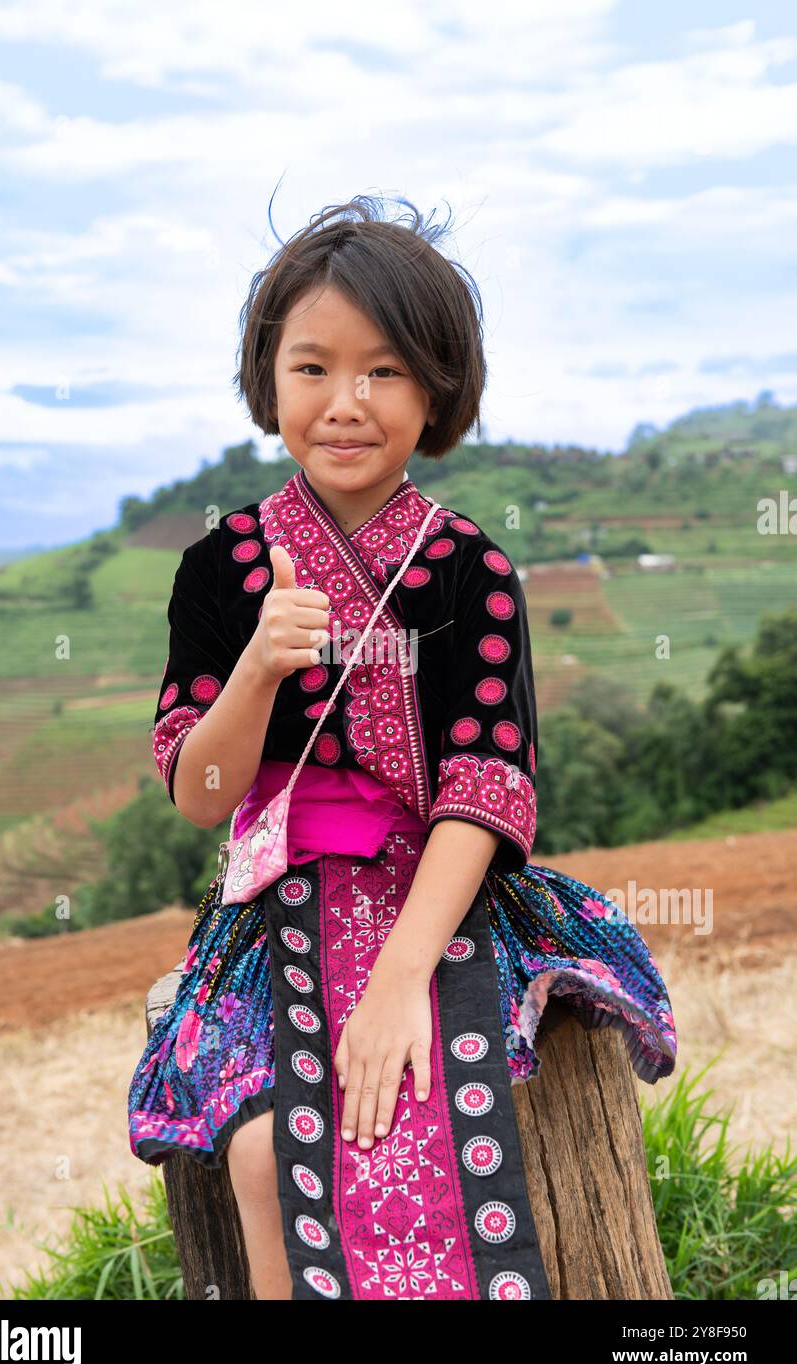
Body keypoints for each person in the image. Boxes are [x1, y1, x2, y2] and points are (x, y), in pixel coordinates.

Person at [128, 195, 677, 1302]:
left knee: (440, 1103)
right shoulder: (220, 567)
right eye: (312, 368)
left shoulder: (471, 569)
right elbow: (203, 793)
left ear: (436, 388)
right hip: (273, 906)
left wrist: (398, 983)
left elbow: (486, 786)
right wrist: (257, 670)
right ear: (268, 380)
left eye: (383, 371)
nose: (346, 404)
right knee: (265, 1153)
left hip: (443, 897)